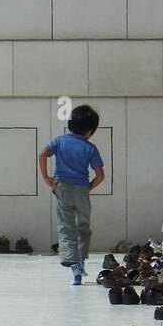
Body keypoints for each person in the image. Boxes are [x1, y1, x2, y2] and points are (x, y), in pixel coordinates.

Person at [39, 104, 105, 286]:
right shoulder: (90, 148)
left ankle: (74, 267)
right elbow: (101, 176)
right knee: (83, 227)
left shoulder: (59, 142)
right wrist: (88, 188)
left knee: (66, 227)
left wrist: (46, 178)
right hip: (82, 189)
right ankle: (81, 261)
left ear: (70, 124)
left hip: (62, 188)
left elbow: (43, 153)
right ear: (90, 131)